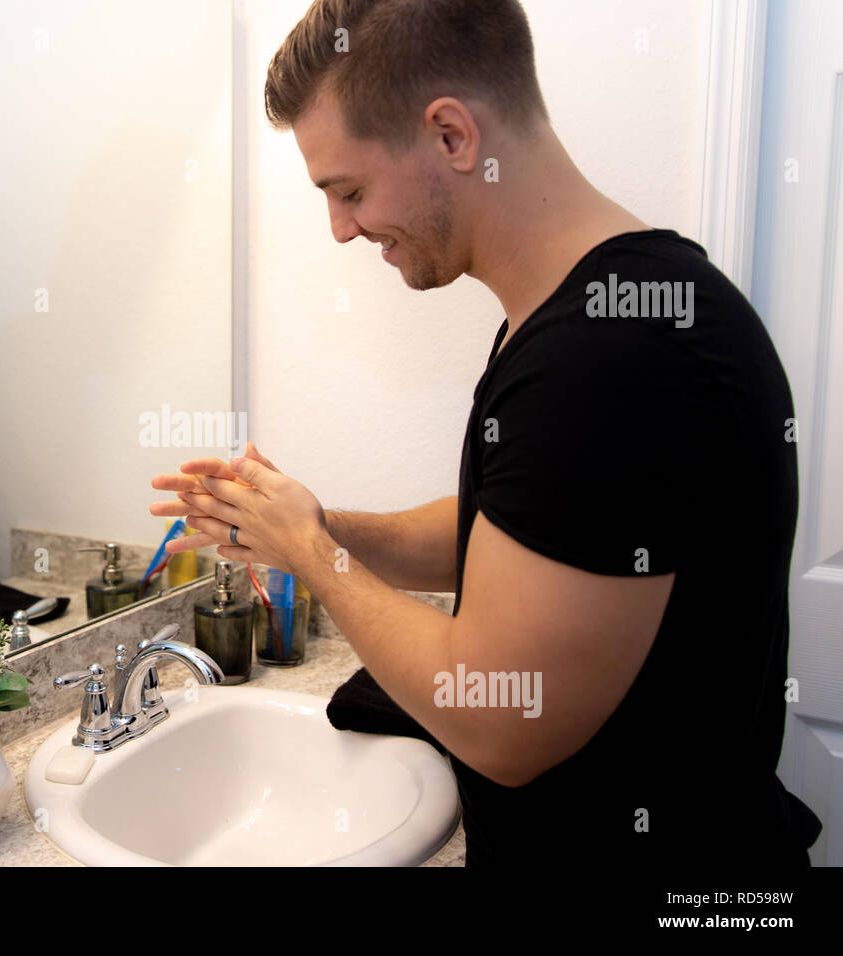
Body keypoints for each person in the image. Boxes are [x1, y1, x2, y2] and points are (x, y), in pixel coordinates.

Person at [153, 0, 819, 866]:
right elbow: (514, 537)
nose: (342, 228)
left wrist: (319, 559)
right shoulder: (593, 313)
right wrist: (306, 528)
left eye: (348, 189)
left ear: (452, 137)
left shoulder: (609, 358)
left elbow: (506, 721)